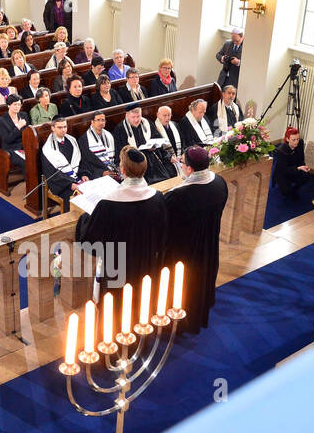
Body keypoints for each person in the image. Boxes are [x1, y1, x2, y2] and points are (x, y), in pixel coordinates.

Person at [73, 148, 168, 294]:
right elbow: (163, 234)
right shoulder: (157, 197)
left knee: (117, 308)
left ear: (122, 170)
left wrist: (84, 218)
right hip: (146, 263)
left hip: (116, 269)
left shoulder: (108, 204)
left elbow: (90, 239)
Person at [163, 146, 229, 333]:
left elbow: (165, 224)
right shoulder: (219, 182)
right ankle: (201, 311)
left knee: (184, 286)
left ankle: (181, 322)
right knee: (203, 278)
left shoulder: (178, 195)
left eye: (183, 163)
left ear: (190, 169)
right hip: (209, 246)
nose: (182, 165)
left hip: (185, 252)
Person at [39, 118, 92, 205]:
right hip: (61, 183)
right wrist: (70, 184)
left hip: (77, 176)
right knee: (78, 200)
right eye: (60, 127)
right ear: (53, 128)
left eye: (65, 127)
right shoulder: (48, 149)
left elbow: (80, 160)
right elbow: (51, 172)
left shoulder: (72, 141)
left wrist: (83, 174)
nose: (63, 130)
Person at [272, 126, 314, 199]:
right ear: (287, 139)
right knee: (286, 192)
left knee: (306, 176)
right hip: (283, 173)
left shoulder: (300, 143)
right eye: (293, 140)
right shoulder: (281, 151)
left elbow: (301, 158)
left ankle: (294, 189)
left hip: (295, 168)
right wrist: (299, 168)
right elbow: (284, 170)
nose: (296, 142)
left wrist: (304, 167)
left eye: (297, 139)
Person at [79, 111, 118, 178]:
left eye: (103, 120)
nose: (101, 123)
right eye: (98, 120)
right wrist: (101, 173)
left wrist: (117, 167)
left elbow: (117, 155)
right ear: (92, 122)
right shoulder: (84, 140)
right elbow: (86, 164)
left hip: (113, 171)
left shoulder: (109, 135)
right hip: (98, 174)